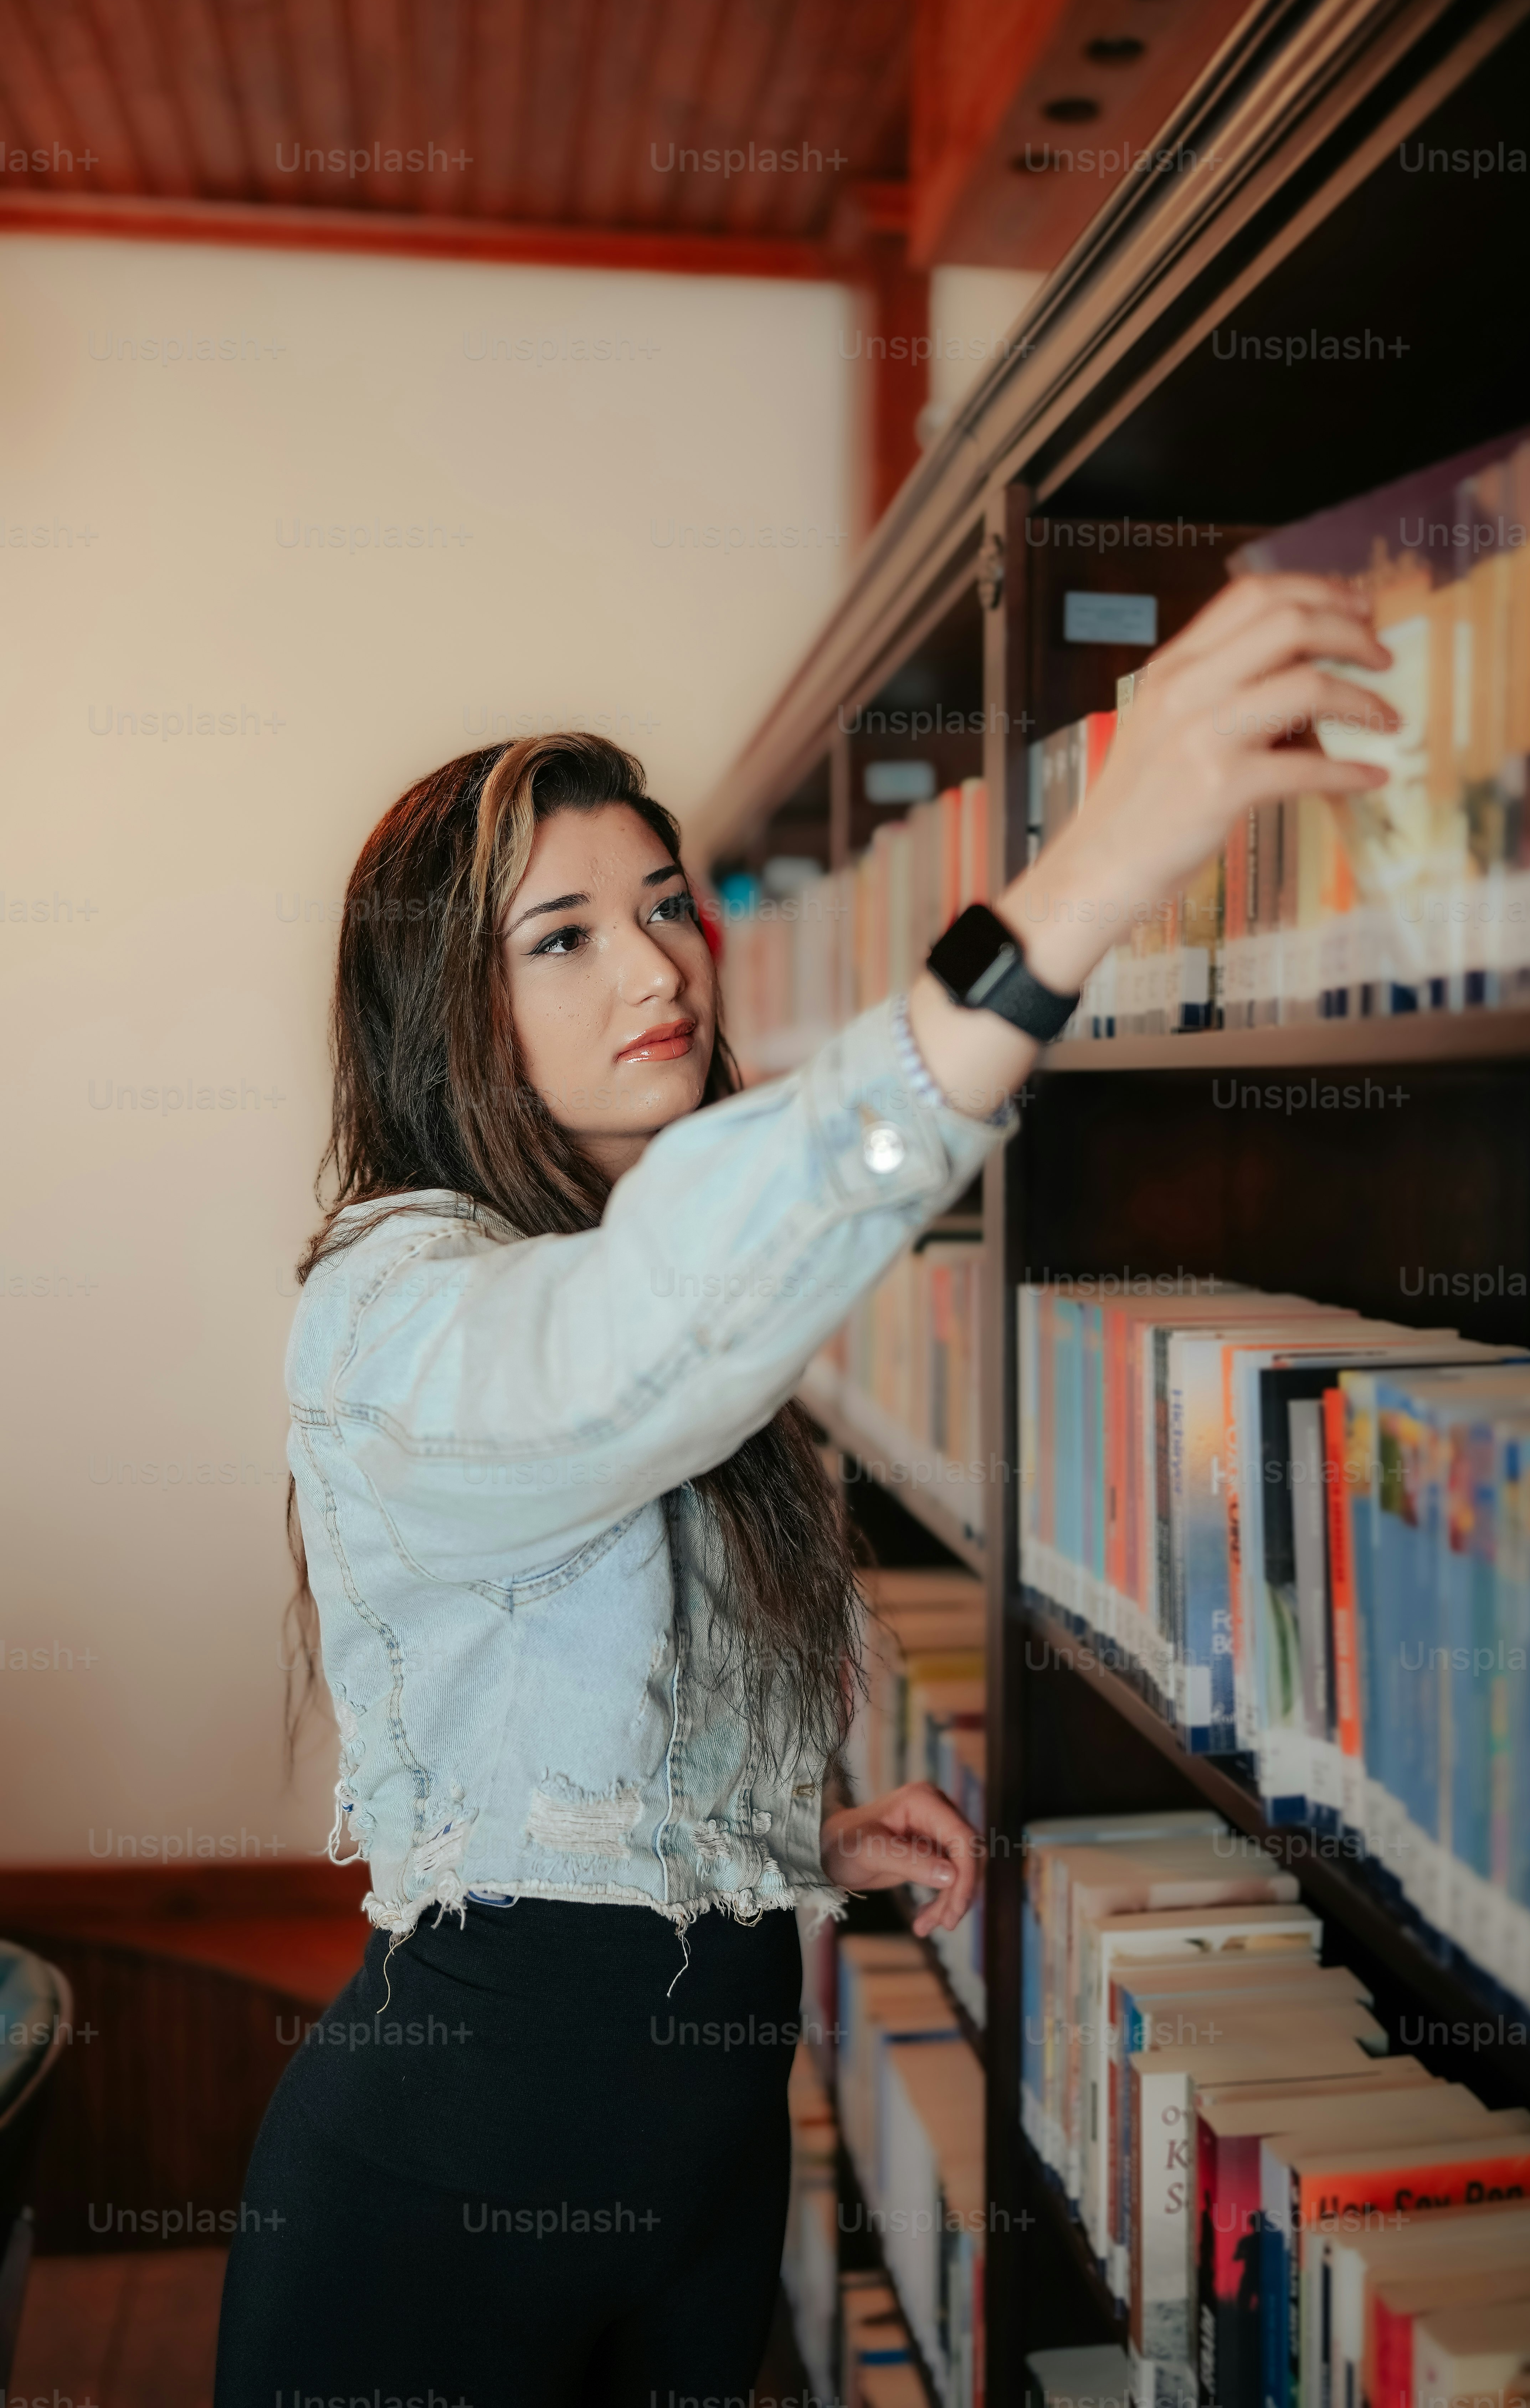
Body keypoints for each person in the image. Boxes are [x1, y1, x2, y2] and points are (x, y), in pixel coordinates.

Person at [213, 575, 1390, 2407]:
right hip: (443, 2204)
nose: (662, 966)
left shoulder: (607, 1246)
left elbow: (593, 1679)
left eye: (664, 904)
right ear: (437, 1004)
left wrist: (782, 1843)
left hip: (704, 2188)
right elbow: (643, 1329)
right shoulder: (392, 1304)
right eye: (565, 937)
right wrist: (1084, 877)